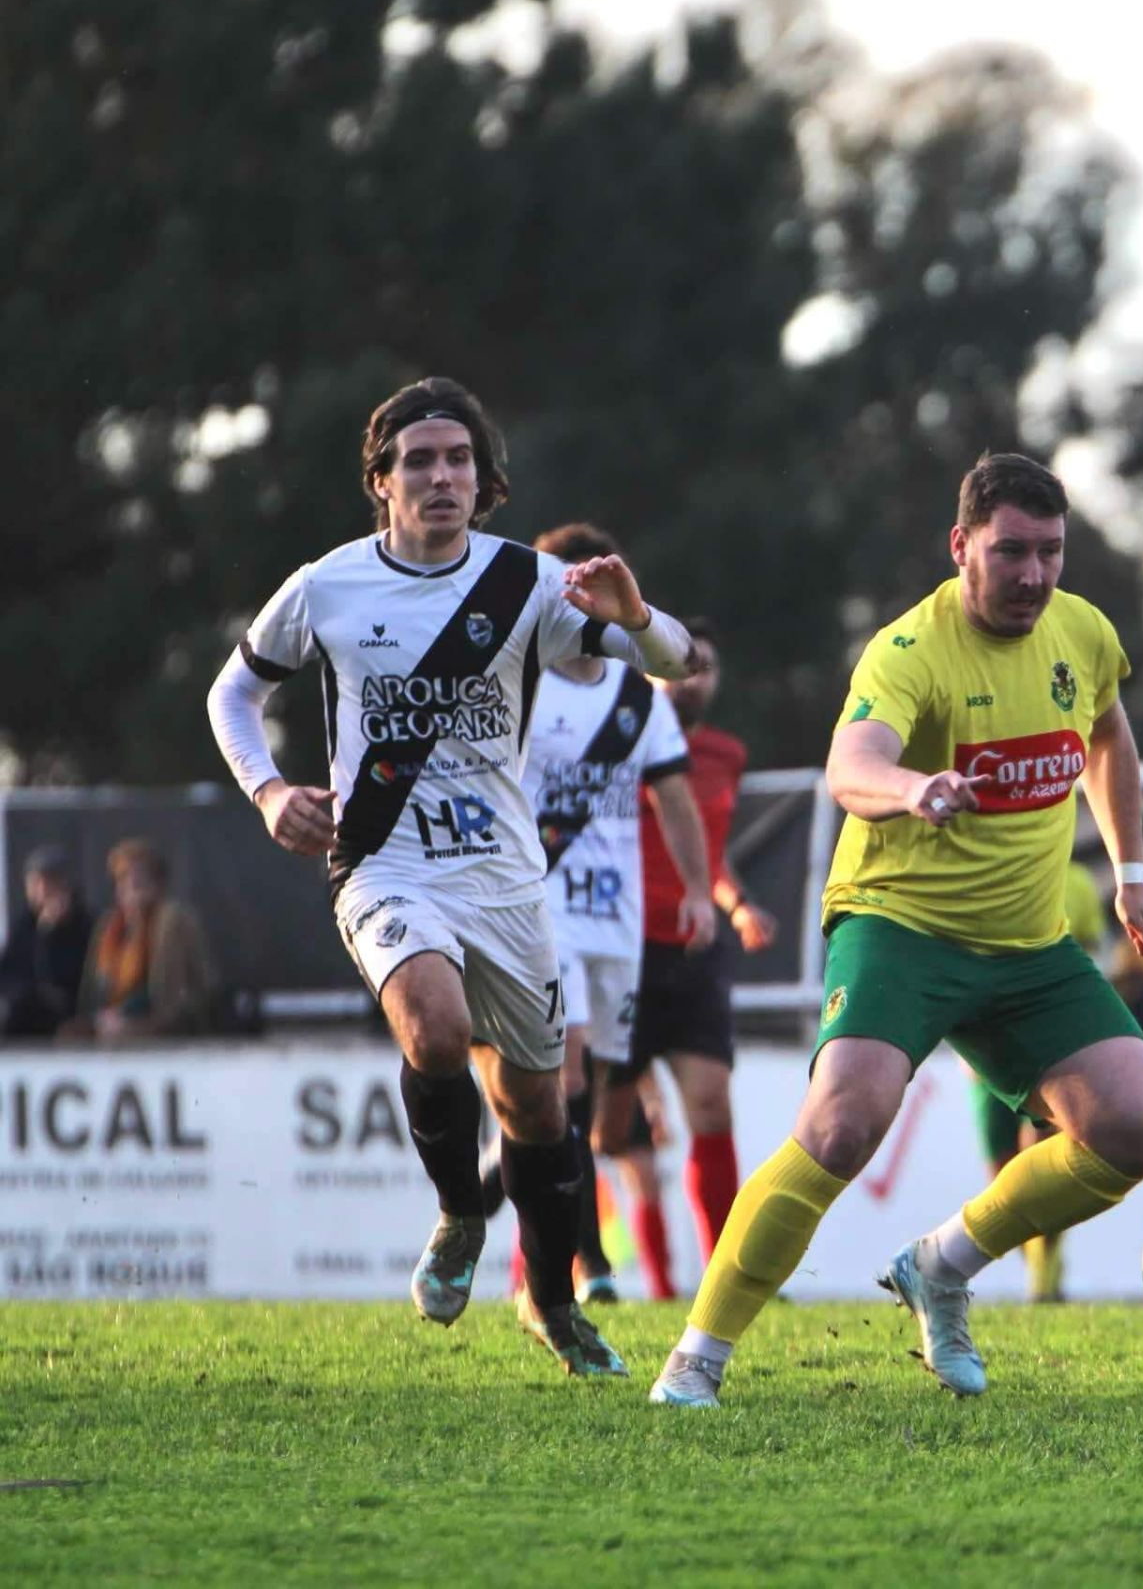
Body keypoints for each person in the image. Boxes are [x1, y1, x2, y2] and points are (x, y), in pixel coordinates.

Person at [651, 450, 1143, 1408]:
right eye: (1011, 551)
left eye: (1051, 553)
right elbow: (849, 764)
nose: (1033, 575)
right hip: (901, 928)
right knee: (843, 1123)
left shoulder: (1083, 632)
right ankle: (698, 1356)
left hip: (1025, 947)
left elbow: (1108, 734)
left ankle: (943, 1264)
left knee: (1138, 1126)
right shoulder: (910, 650)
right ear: (961, 547)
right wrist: (912, 789)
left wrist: (1131, 874)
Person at [205, 375, 697, 1378]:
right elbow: (234, 691)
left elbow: (677, 662)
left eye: (458, 459)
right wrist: (265, 792)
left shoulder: (523, 582)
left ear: (486, 478)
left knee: (539, 1113)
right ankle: (458, 1213)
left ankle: (555, 1305)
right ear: (380, 482)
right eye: (418, 461)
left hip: (508, 884)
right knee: (431, 1025)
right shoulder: (328, 584)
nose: (441, 477)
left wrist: (636, 615)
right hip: (385, 861)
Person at [510, 522, 716, 1306]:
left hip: (617, 920)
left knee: (608, 1113)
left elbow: (672, 798)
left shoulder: (639, 698)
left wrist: (698, 889)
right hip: (537, 907)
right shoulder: (517, 683)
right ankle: (584, 1260)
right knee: (562, 1074)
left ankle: (510, 1186)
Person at [608, 617, 777, 1301]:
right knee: (602, 1128)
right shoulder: (611, 742)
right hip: (618, 950)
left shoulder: (726, 755)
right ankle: (556, 1273)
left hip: (695, 948)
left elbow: (710, 851)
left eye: (703, 666)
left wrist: (734, 904)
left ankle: (724, 1278)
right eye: (680, 663)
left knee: (710, 1103)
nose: (691, 677)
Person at [969, 856, 1106, 1303]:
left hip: (1051, 1038)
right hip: (989, 1038)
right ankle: (1041, 1265)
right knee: (1002, 1170)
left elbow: (1089, 949)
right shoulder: (988, 868)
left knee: (1041, 1155)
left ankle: (1043, 1280)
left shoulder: (1080, 881)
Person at [66, 838, 217, 1042]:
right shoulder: (108, 927)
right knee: (71, 1034)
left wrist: (133, 1014)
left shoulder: (173, 921)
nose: (131, 884)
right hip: (110, 1017)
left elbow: (185, 991)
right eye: (124, 877)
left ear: (156, 882)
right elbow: (94, 987)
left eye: (139, 877)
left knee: (122, 1034)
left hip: (163, 1020)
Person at [1, 846, 92, 1041]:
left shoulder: (84, 925)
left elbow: (68, 976)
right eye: (36, 883)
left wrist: (52, 934)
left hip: (66, 1013)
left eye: (50, 882)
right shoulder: (23, 925)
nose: (42, 890)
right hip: (23, 1011)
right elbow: (10, 972)